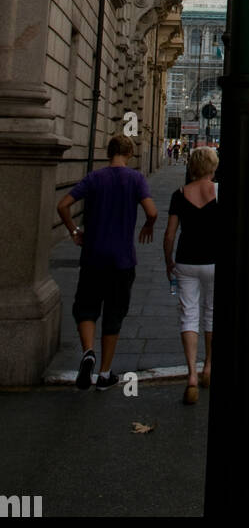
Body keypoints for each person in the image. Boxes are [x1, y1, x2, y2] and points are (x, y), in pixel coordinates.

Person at [57, 135, 157, 391]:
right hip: (122, 259)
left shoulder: (94, 178)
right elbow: (152, 211)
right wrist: (148, 225)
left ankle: (88, 351)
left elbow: (63, 205)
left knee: (86, 308)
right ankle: (104, 374)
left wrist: (73, 231)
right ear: (130, 154)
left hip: (93, 255)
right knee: (114, 313)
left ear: (108, 152)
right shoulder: (136, 179)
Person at [163, 145, 218, 405]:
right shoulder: (219, 193)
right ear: (212, 167)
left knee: (189, 315)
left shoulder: (179, 194)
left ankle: (192, 377)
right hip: (214, 260)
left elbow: (170, 234)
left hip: (185, 261)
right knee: (211, 314)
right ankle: (208, 366)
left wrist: (168, 262)